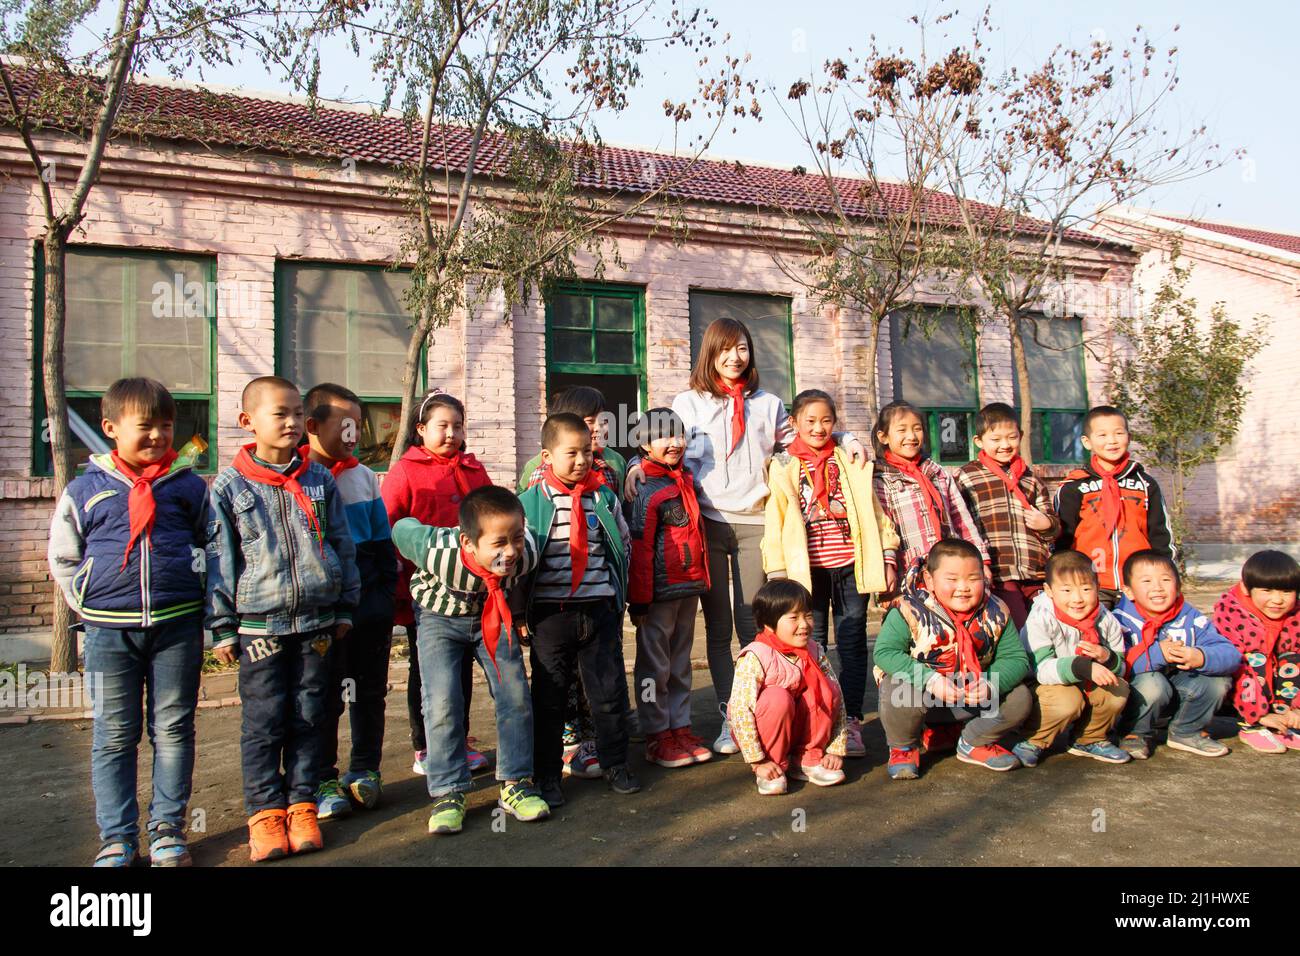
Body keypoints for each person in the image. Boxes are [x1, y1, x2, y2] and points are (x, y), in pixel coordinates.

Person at [631, 317, 868, 754]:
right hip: (705, 521)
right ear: (710, 353)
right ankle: (729, 717)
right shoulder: (689, 402)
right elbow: (658, 443)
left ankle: (760, 711)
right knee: (718, 628)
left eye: (741, 348)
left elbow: (803, 438)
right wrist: (633, 467)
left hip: (757, 523)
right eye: (725, 349)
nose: (734, 357)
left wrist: (846, 435)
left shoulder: (769, 404)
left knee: (751, 625)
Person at [48, 377, 210, 867]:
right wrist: (88, 600)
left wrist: (200, 595)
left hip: (177, 627)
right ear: (111, 428)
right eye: (146, 426)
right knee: (115, 734)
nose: (159, 436)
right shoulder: (86, 488)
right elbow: (63, 553)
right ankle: (116, 837)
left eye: (166, 425)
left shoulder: (186, 486)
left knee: (174, 728)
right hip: (107, 633)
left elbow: (213, 543)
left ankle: (167, 830)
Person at [206, 376, 360, 862]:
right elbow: (219, 561)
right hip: (260, 630)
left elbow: (341, 544)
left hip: (316, 623)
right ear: (247, 422)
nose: (293, 422)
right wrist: (222, 626)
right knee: (264, 721)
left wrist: (344, 607)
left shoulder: (318, 479)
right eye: (281, 414)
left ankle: (302, 803)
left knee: (312, 716)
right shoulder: (230, 487)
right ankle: (266, 812)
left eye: (298, 413)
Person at [391, 485, 551, 835]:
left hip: (492, 614)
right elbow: (402, 528)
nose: (510, 553)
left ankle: (517, 781)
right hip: (438, 617)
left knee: (515, 696)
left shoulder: (527, 553)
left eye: (517, 537)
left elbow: (526, 543)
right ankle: (448, 790)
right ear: (468, 543)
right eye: (498, 543)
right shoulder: (438, 551)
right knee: (443, 701)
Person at [761, 388, 898, 757]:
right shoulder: (784, 465)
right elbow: (775, 522)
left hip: (850, 567)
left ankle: (851, 719)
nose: (818, 427)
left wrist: (886, 553)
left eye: (826, 420)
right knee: (812, 644)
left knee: (853, 641)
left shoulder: (848, 458)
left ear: (835, 424)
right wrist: (777, 572)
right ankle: (818, 719)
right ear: (793, 423)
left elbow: (875, 510)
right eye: (810, 421)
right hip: (808, 573)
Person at [519, 413, 639, 806]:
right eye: (571, 453)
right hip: (551, 617)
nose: (581, 461)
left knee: (607, 692)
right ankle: (548, 776)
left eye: (586, 452)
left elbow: (621, 544)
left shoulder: (602, 497)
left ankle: (616, 763)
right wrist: (519, 613)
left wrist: (618, 596)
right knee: (550, 697)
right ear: (546, 456)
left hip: (598, 612)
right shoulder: (530, 504)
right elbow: (518, 563)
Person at [381, 391, 492, 778]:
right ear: (421, 429)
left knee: (461, 669)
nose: (451, 434)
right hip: (425, 594)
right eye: (442, 426)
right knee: (428, 673)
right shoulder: (406, 471)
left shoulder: (473, 471)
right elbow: (389, 525)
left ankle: (458, 740)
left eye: (457, 426)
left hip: (472, 592)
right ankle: (428, 746)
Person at [302, 384, 398, 819]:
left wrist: (380, 602)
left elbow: (382, 546)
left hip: (368, 609)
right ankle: (321, 778)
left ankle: (365, 770)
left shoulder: (363, 478)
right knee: (322, 696)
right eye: (344, 425)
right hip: (318, 611)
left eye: (358, 426)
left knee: (369, 692)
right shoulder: (297, 478)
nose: (353, 434)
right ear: (312, 426)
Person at [873, 538, 1032, 780]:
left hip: (973, 695)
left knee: (1020, 696)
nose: (964, 587)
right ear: (929, 580)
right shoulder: (908, 609)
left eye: (973, 578)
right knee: (894, 685)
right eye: (952, 579)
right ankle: (904, 746)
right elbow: (885, 653)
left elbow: (1016, 658)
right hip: (924, 696)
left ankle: (973, 741)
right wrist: (931, 680)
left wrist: (990, 683)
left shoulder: (997, 610)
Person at [626, 408, 712, 768]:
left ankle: (680, 725)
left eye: (678, 435)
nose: (674, 443)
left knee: (680, 664)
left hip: (687, 588)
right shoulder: (644, 485)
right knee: (653, 667)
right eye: (663, 436)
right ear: (645, 444)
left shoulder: (685, 477)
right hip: (658, 594)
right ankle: (656, 733)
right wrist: (641, 600)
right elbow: (640, 546)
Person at [1112, 550, 1241, 759]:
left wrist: (1201, 656)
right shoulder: (1119, 621)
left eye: (1165, 579)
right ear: (1129, 591)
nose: (1157, 587)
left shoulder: (1191, 617)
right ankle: (1134, 732)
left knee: (1218, 682)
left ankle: (1186, 731)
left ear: (1178, 585)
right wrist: (1157, 654)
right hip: (1139, 697)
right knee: (1152, 684)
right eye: (1146, 581)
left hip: (1179, 692)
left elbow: (1230, 655)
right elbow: (1116, 665)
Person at [727, 580, 848, 795]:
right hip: (765, 737)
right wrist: (758, 760)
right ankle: (774, 766)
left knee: (824, 688)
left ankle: (807, 758)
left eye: (808, 615)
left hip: (798, 731)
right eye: (794, 618)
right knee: (777, 698)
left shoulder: (814, 651)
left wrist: (835, 749)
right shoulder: (755, 655)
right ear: (769, 623)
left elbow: (837, 699)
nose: (804, 624)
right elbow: (740, 711)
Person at [1012, 551, 1131, 767]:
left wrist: (1107, 657)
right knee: (1067, 701)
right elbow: (1040, 669)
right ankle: (1033, 739)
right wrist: (1082, 667)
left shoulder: (1106, 619)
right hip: (1042, 684)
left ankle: (1089, 738)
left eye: (1086, 589)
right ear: (1048, 591)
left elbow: (1121, 667)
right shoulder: (1040, 618)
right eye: (1066, 590)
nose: (1077, 599)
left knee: (1118, 688)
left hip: (1084, 679)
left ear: (1097, 587)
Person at [1054, 405, 1176, 607]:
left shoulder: (1145, 484)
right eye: (1102, 435)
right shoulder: (1074, 487)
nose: (1111, 441)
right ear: (1087, 442)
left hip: (1138, 583)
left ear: (1128, 437)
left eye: (1118, 433)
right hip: (1091, 583)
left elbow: (1160, 533)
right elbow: (1062, 539)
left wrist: (1166, 573)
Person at [956, 402, 1060, 628]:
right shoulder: (967, 477)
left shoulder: (1030, 479)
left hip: (1035, 572)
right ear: (979, 441)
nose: (1005, 445)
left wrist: (1047, 524)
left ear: (1021, 436)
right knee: (1020, 631)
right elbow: (960, 525)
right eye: (996, 440)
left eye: (1012, 438)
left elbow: (1054, 528)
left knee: (1044, 629)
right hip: (999, 572)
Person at [872, 400, 989, 591]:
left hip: (952, 571)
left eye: (917, 429)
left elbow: (962, 521)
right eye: (902, 430)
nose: (911, 436)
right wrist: (887, 566)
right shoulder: (879, 479)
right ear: (883, 437)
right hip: (910, 573)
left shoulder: (938, 474)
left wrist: (981, 559)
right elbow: (883, 529)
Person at [1212, 550, 1300, 753]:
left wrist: (1296, 708)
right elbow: (1238, 669)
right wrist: (1258, 714)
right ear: (1246, 588)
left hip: (1280, 692)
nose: (1278, 600)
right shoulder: (1231, 615)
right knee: (1253, 659)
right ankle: (1252, 726)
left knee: (1292, 658)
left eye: (1286, 592)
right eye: (1267, 591)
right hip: (1241, 690)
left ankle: (1284, 722)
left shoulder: (1295, 615)